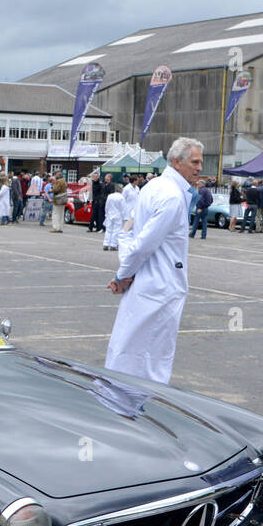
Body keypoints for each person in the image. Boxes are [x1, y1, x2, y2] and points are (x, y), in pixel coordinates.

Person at [104, 137, 203, 384]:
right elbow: (143, 245)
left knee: (130, 351)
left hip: (148, 286)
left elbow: (130, 229)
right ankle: (135, 413)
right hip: (159, 288)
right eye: (195, 162)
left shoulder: (155, 187)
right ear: (177, 162)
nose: (200, 168)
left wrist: (125, 272)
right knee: (149, 361)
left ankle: (123, 406)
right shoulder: (171, 196)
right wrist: (122, 274)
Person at [103, 181, 125, 251]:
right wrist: (125, 217)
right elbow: (123, 209)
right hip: (118, 215)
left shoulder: (110, 196)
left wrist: (106, 214)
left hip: (110, 214)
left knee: (108, 230)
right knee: (116, 230)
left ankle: (106, 244)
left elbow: (107, 206)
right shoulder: (121, 197)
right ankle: (113, 244)